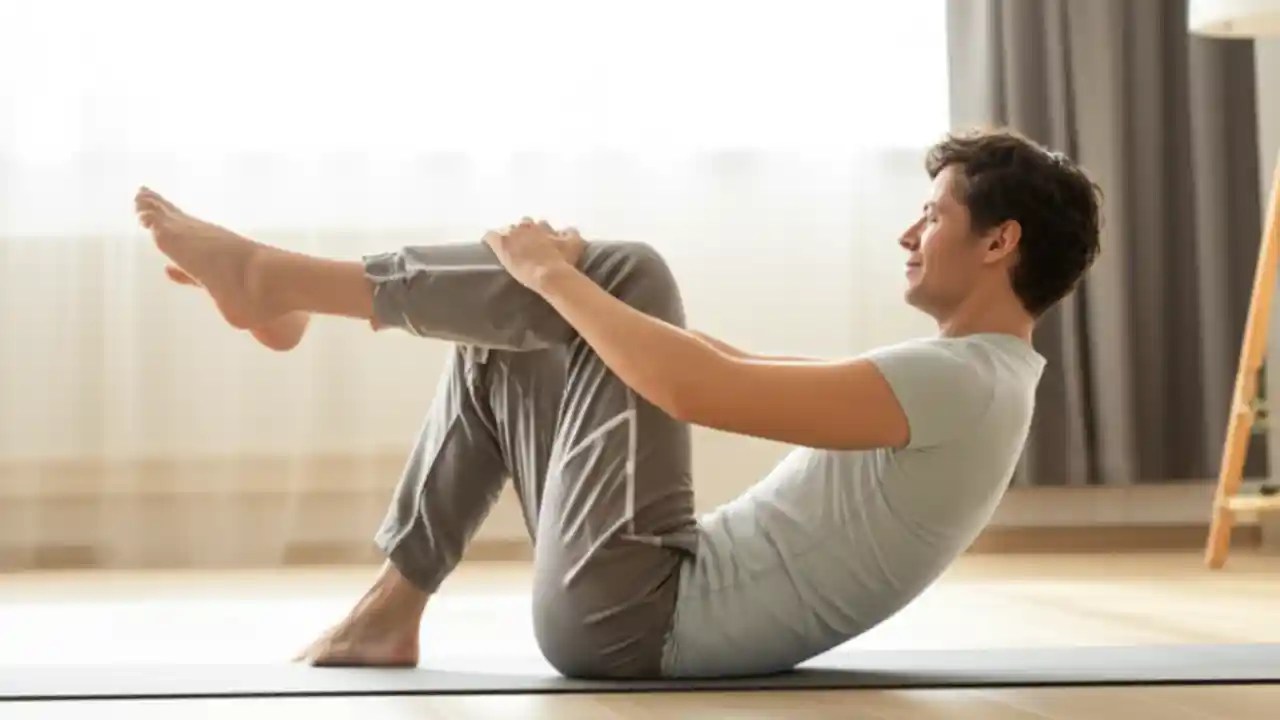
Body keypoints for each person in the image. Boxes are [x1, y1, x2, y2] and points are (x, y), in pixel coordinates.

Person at [135, 127, 1102, 680]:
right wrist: (558, 293)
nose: (908, 233)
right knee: (524, 334)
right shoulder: (972, 378)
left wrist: (556, 277)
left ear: (998, 242)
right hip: (634, 604)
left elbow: (696, 390)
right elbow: (723, 361)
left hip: (638, 620)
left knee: (623, 273)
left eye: (932, 214)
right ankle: (385, 616)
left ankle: (278, 282)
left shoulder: (962, 384)